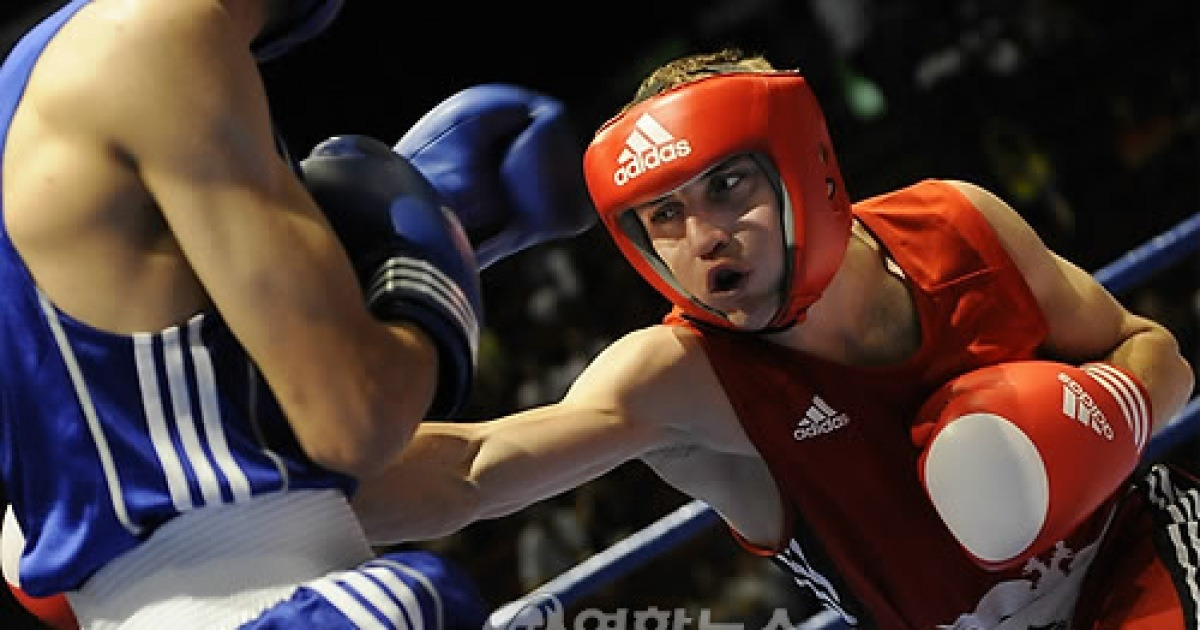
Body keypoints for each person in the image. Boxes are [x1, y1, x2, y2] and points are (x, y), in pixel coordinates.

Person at [350, 48, 1198, 628]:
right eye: (666, 215)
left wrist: (1113, 405)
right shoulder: (684, 376)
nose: (705, 237)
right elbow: (468, 473)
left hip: (1137, 559)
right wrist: (253, 463)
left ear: (804, 162)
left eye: (726, 185)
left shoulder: (960, 225)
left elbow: (1146, 344)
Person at [0, 0, 593, 628]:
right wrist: (425, 276)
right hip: (275, 608)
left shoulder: (33, 85)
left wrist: (370, 261)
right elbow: (358, 421)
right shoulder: (157, 33)